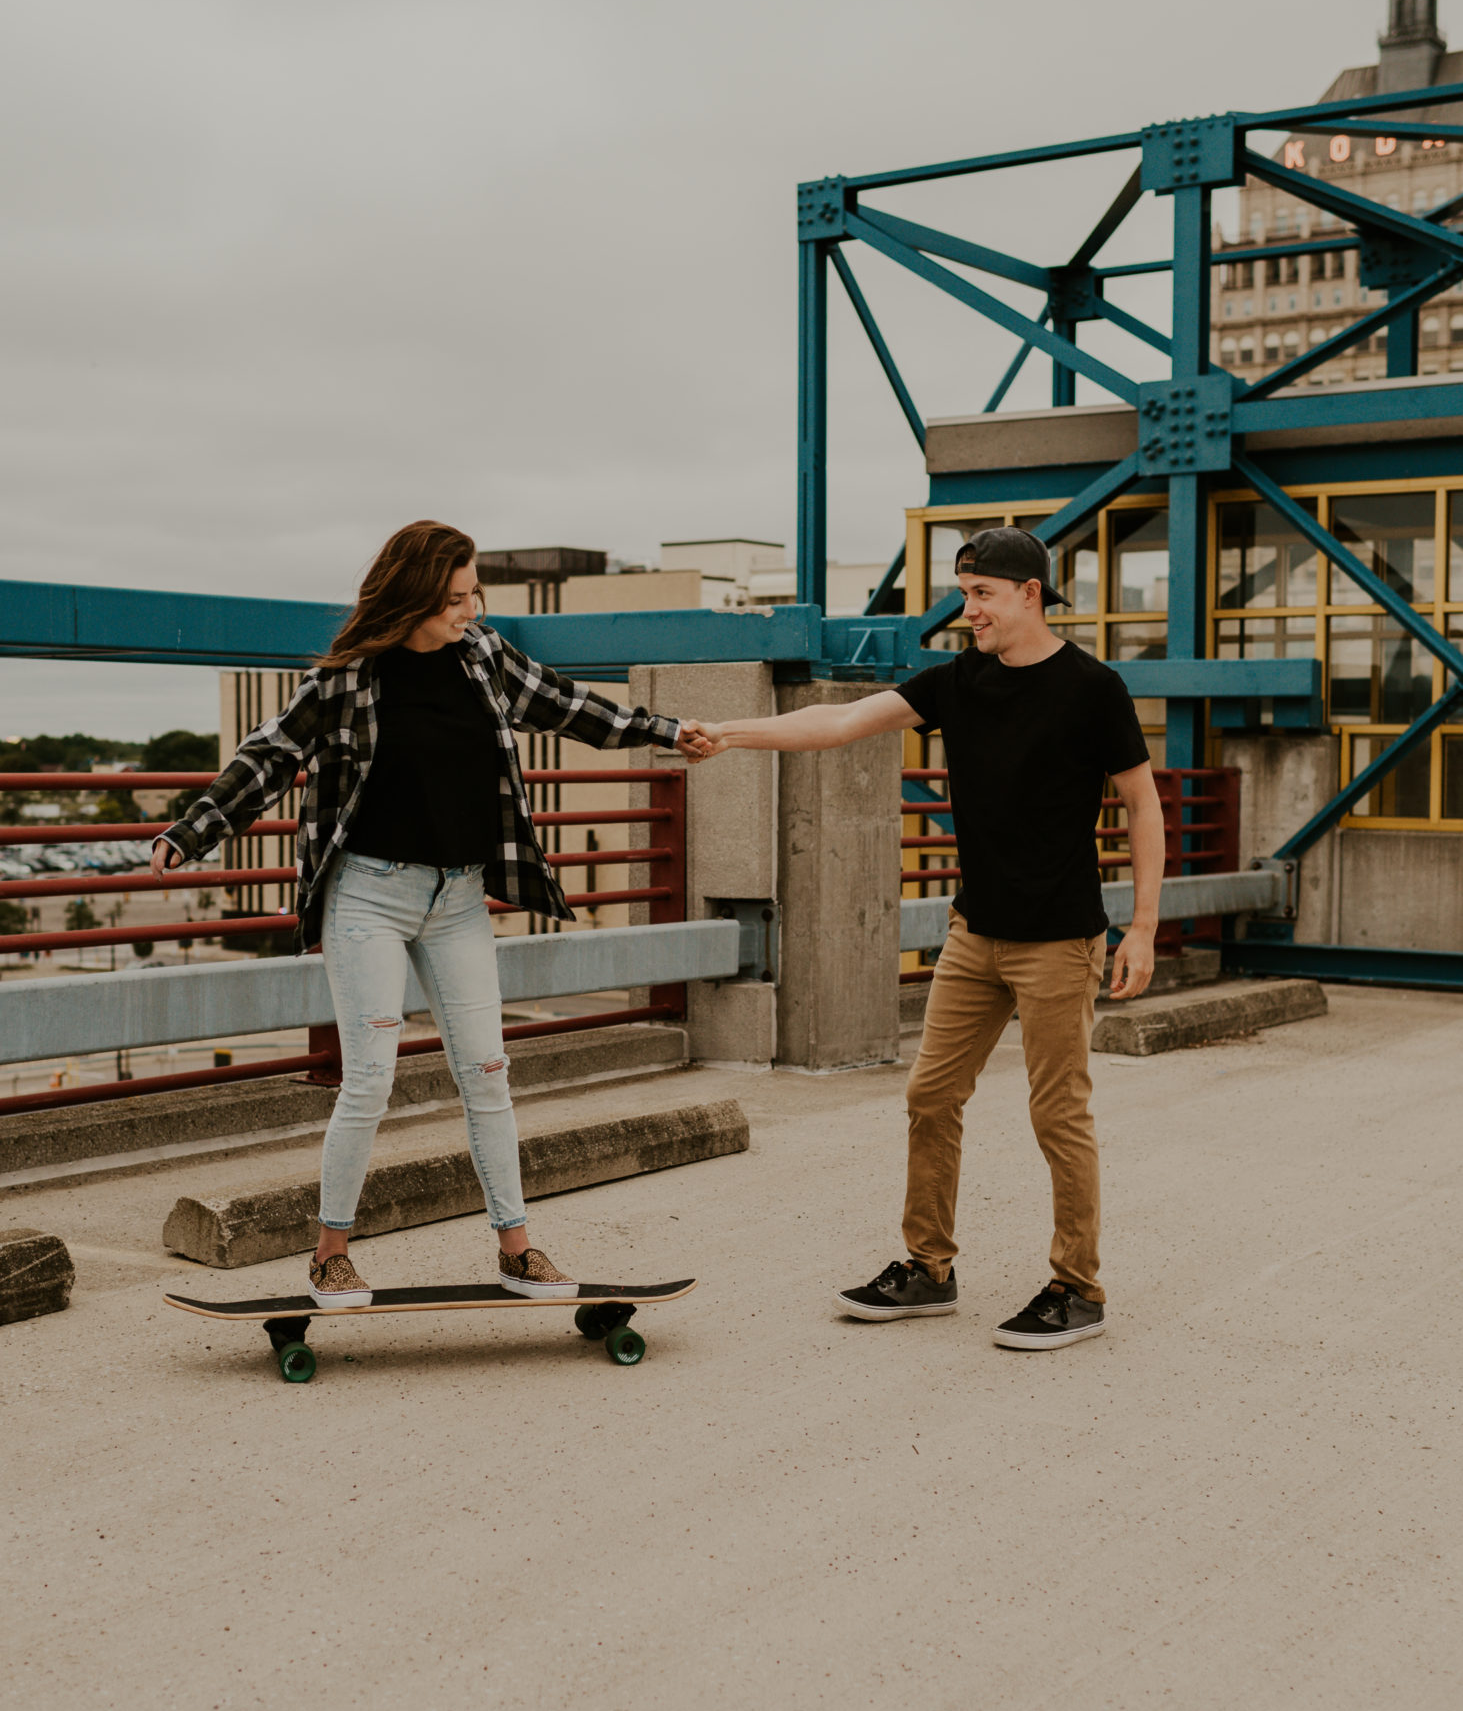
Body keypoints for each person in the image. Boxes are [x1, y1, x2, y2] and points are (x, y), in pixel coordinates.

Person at [152, 520, 710, 1310]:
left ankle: (516, 1250)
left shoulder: (483, 658)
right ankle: (329, 1254)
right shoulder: (348, 679)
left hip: (457, 898)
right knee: (371, 1079)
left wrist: (666, 732)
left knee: (487, 1074)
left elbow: (567, 707)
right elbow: (269, 755)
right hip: (369, 898)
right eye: (454, 597)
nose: (470, 608)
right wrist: (194, 829)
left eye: (473, 592)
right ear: (412, 599)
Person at [682, 527, 1164, 1350]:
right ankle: (927, 1270)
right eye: (964, 591)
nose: (966, 608)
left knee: (1057, 1115)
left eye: (980, 593)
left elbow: (1141, 805)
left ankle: (1077, 1287)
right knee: (930, 1097)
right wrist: (729, 734)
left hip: (1059, 942)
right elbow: (839, 724)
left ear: (1028, 594)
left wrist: (1144, 927)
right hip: (974, 936)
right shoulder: (957, 681)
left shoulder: (1093, 689)